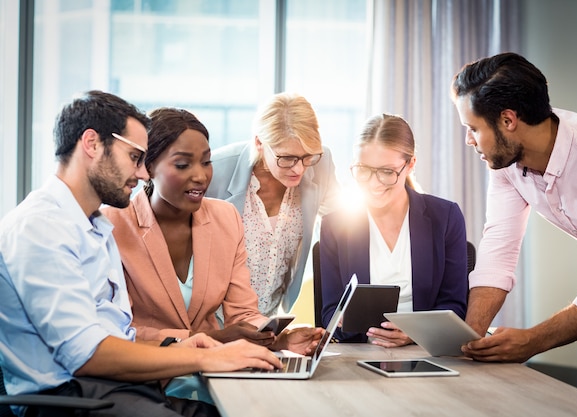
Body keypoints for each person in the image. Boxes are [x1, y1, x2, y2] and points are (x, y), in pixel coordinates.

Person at [0, 91, 284, 417]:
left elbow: (117, 337)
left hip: (113, 389)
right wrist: (207, 356)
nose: (143, 174)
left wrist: (187, 344)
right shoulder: (41, 228)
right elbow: (87, 354)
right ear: (92, 144)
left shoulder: (92, 228)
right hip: (70, 398)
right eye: (135, 157)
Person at [102, 107, 323, 401]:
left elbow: (241, 313)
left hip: (218, 376)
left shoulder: (225, 218)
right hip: (146, 383)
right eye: (183, 165)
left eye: (206, 162)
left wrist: (276, 338)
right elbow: (121, 332)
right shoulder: (113, 225)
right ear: (148, 166)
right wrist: (213, 341)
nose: (200, 176)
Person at [450, 52, 577, 407]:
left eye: (473, 128)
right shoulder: (506, 162)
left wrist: (532, 341)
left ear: (508, 120)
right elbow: (497, 254)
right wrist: (467, 344)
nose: (469, 140)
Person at [319, 114, 468, 346]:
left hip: (425, 351)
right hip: (361, 353)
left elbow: (455, 305)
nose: (374, 183)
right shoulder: (335, 226)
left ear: (410, 165)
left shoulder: (445, 217)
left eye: (387, 172)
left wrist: (416, 333)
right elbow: (329, 314)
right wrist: (344, 323)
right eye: (363, 170)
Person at [206, 92, 340, 316]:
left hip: (270, 319)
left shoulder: (320, 163)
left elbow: (343, 223)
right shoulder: (216, 170)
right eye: (287, 158)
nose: (299, 169)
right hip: (214, 318)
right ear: (259, 142)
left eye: (307, 157)